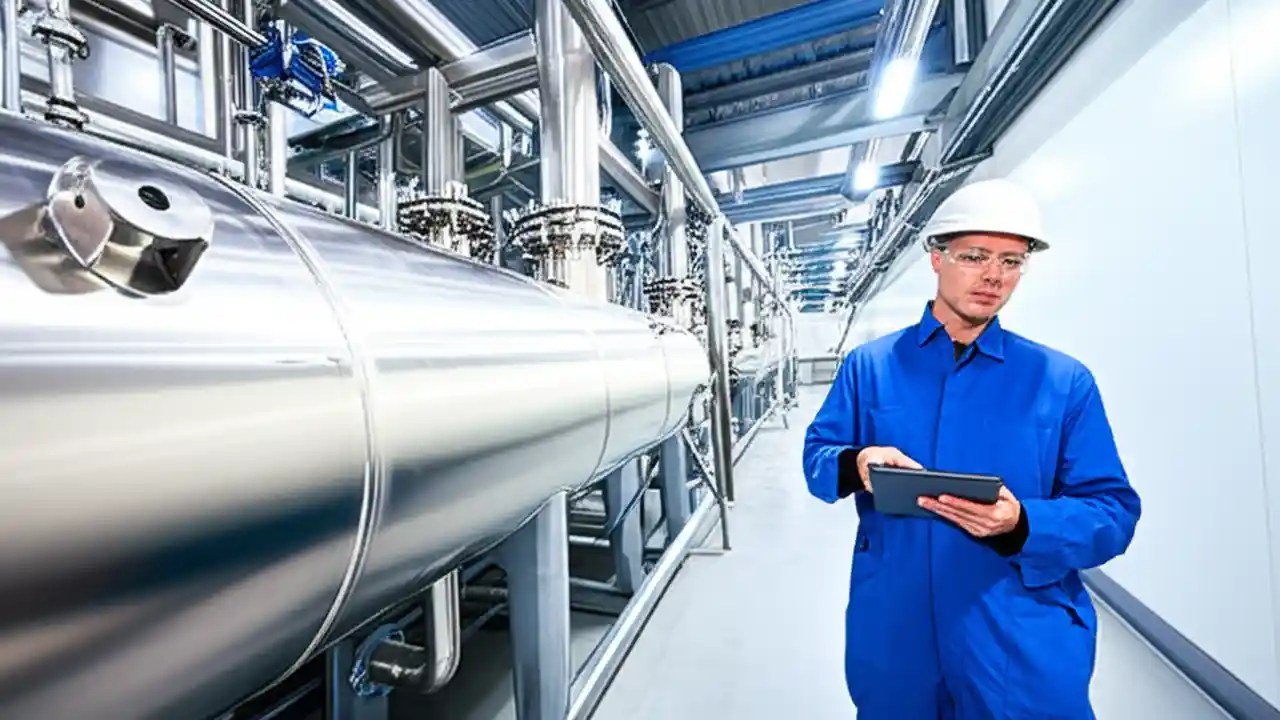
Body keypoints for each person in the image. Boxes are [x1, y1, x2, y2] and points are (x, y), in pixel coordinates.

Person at [801, 177, 1141, 719]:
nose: (993, 276)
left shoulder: (1062, 381)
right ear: (936, 258)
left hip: (1015, 628)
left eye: (1012, 261)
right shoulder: (870, 367)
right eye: (975, 256)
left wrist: (1023, 522)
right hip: (897, 623)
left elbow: (1112, 510)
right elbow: (819, 454)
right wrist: (856, 463)